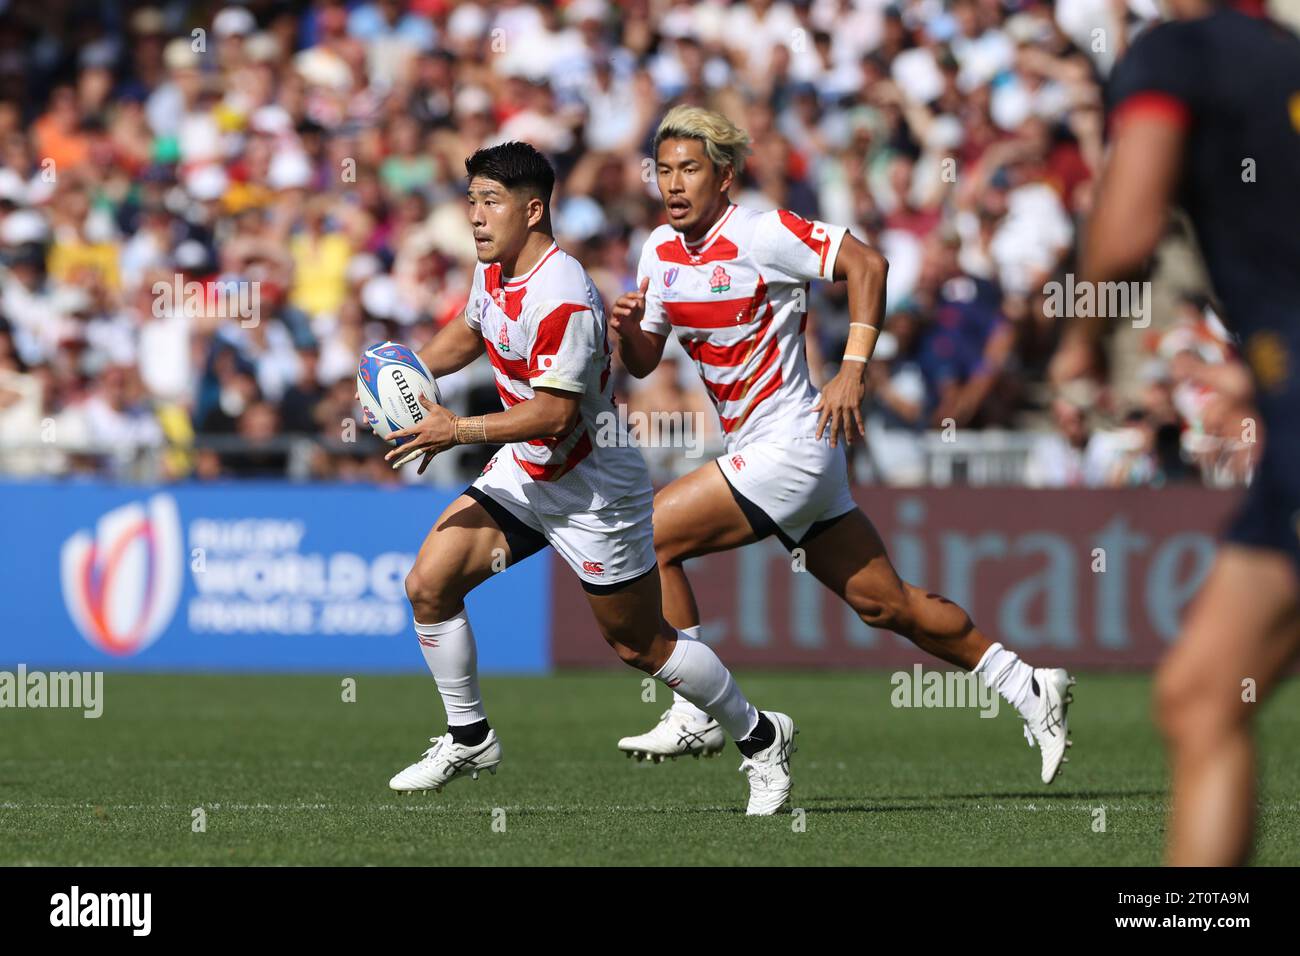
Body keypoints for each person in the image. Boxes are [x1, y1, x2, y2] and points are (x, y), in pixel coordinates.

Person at [610, 106, 1075, 782]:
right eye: (664, 171)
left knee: (652, 536)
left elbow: (868, 263)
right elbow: (648, 359)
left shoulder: (764, 231)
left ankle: (699, 711)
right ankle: (1028, 684)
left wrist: (853, 369)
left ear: (726, 176)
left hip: (791, 442)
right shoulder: (658, 250)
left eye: (689, 170)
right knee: (886, 604)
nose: (674, 184)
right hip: (780, 453)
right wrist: (627, 331)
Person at [382, 142, 796, 815]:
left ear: (534, 208)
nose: (476, 217)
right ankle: (470, 736)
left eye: (490, 202)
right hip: (526, 473)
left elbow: (552, 414)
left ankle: (760, 734)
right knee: (428, 586)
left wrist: (453, 430)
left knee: (641, 644)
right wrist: (405, 377)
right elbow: (469, 329)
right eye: (472, 202)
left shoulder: (563, 294)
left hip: (593, 490)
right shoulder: (495, 270)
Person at [1051, 1, 1300, 865]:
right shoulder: (1283, 56)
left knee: (1203, 702)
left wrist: (1078, 338)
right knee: (1201, 696)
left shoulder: (1174, 51)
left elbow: (1124, 233)